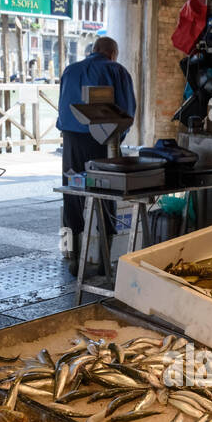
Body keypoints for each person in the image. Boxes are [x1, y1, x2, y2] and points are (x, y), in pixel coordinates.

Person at [55, 36, 136, 271]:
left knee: (72, 191)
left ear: (93, 50)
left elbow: (62, 107)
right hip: (103, 140)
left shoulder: (70, 70)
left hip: (71, 141)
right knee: (106, 193)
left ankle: (73, 256)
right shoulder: (116, 70)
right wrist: (117, 141)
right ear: (112, 53)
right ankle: (103, 260)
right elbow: (127, 111)